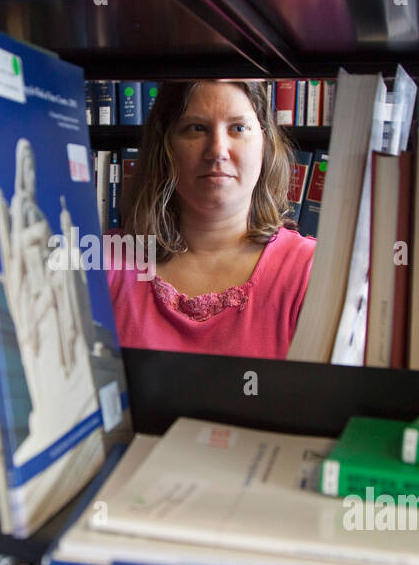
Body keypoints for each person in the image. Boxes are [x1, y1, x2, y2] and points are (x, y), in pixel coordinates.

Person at [106, 80, 316, 359]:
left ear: (264, 143)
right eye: (196, 128)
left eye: (238, 128)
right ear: (166, 145)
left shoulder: (311, 271)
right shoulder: (105, 261)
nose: (217, 150)